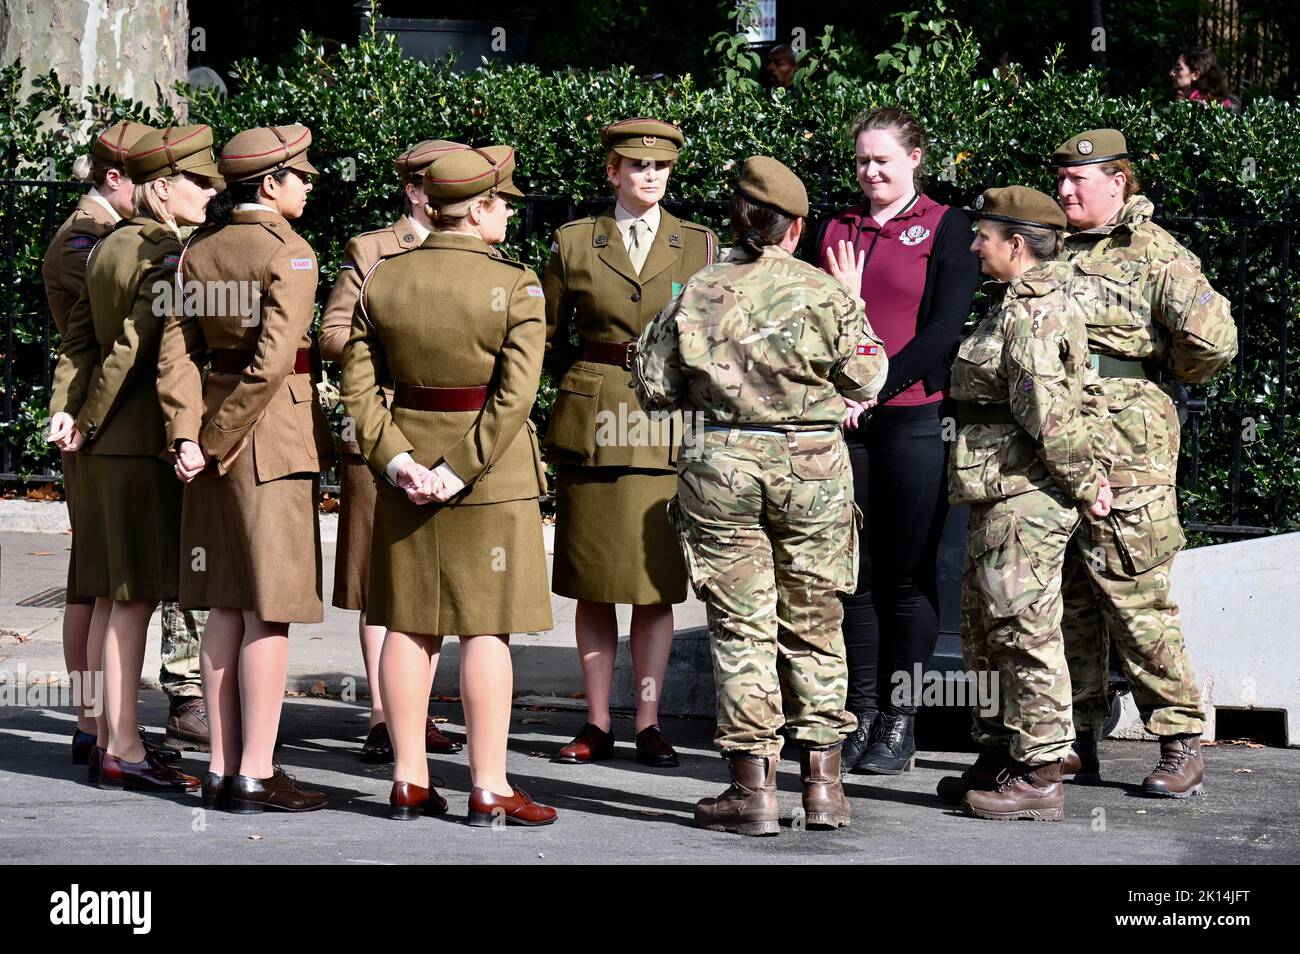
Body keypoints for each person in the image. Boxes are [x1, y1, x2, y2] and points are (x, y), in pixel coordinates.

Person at [634, 156, 887, 836]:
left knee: (742, 628)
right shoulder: (824, 292)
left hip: (722, 466)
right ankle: (825, 788)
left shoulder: (697, 291)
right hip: (812, 468)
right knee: (816, 622)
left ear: (738, 220)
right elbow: (867, 377)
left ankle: (752, 792)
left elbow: (654, 387)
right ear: (796, 227)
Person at [341, 143, 557, 826]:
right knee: (485, 630)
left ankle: (408, 779)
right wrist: (456, 470)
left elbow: (358, 385)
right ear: (481, 208)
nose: (509, 217)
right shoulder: (518, 285)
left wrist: (400, 462)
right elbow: (513, 400)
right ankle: (488, 785)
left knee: (408, 625)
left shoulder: (384, 279)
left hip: (403, 465)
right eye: (503, 204)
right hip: (489, 478)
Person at [1051, 128, 1238, 797]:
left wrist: (1154, 371)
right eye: (1062, 179)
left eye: (1080, 179)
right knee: (1067, 598)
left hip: (1128, 454)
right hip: (1057, 448)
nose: (1065, 189)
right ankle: (1074, 739)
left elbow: (1214, 341)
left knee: (1136, 595)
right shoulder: (1049, 247)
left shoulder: (1153, 252)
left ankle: (1180, 739)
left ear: (1117, 182)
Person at [157, 124, 334, 813]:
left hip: (210, 436)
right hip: (269, 441)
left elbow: (175, 354)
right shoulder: (290, 254)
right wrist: (219, 437)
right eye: (302, 175)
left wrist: (188, 435)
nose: (310, 184)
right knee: (271, 609)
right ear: (270, 183)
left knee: (223, 604)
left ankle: (221, 768)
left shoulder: (197, 251)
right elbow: (270, 364)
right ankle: (256, 771)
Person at [47, 125, 223, 792]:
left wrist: (69, 414)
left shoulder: (110, 243)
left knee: (106, 596)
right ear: (161, 188)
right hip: (134, 444)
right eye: (198, 182)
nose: (209, 192)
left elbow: (77, 346)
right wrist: (88, 421)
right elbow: (127, 349)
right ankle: (122, 746)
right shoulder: (163, 252)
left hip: (100, 448)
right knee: (133, 599)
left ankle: (100, 733)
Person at [933, 186, 1113, 820]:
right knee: (987, 632)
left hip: (1026, 493)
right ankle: (1001, 753)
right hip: (997, 490)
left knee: (1025, 629)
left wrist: (1089, 486)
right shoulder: (1010, 303)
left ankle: (1040, 771)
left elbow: (1051, 415)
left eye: (985, 234)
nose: (975, 244)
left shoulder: (1036, 312)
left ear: (1016, 243)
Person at [543, 118, 717, 768]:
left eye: (660, 168)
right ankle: (595, 722)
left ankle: (647, 721)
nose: (649, 176)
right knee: (594, 582)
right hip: (594, 424)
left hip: (663, 427)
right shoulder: (573, 242)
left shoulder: (698, 247)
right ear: (611, 171)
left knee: (656, 586)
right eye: (635, 166)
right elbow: (540, 334)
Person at [816, 106, 980, 774]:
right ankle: (857, 714)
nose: (870, 171)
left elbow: (944, 332)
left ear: (916, 157)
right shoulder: (834, 228)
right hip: (844, 423)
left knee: (906, 577)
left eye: (882, 159)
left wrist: (874, 388)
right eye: (861, 160)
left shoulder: (947, 227)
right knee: (852, 577)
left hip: (913, 417)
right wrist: (836, 391)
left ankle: (898, 720)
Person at [319, 138, 465, 763]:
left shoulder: (476, 246)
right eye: (437, 182)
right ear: (413, 190)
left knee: (433, 578)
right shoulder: (372, 250)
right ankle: (384, 716)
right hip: (381, 433)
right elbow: (331, 333)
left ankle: (418, 711)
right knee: (380, 580)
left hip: (451, 434)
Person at [42, 120, 149, 768]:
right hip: (96, 416)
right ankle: (90, 720)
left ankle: (97, 721)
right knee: (93, 578)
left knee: (98, 576)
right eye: (149, 179)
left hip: (98, 414)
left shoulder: (98, 233)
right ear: (116, 178)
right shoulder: (84, 241)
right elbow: (97, 337)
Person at [1170, 48, 1239, 110]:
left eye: (1178, 68)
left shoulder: (1219, 107)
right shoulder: (1174, 99)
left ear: (1195, 75)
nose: (1171, 73)